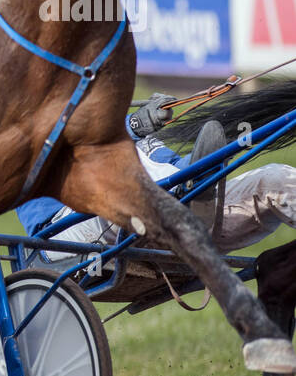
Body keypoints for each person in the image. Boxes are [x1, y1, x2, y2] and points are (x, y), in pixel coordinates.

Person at [17, 93, 296, 256]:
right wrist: (134, 125)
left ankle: (192, 196)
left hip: (164, 214)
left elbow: (177, 168)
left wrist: (226, 149)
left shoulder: (135, 140)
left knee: (273, 180)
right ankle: (186, 200)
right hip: (66, 230)